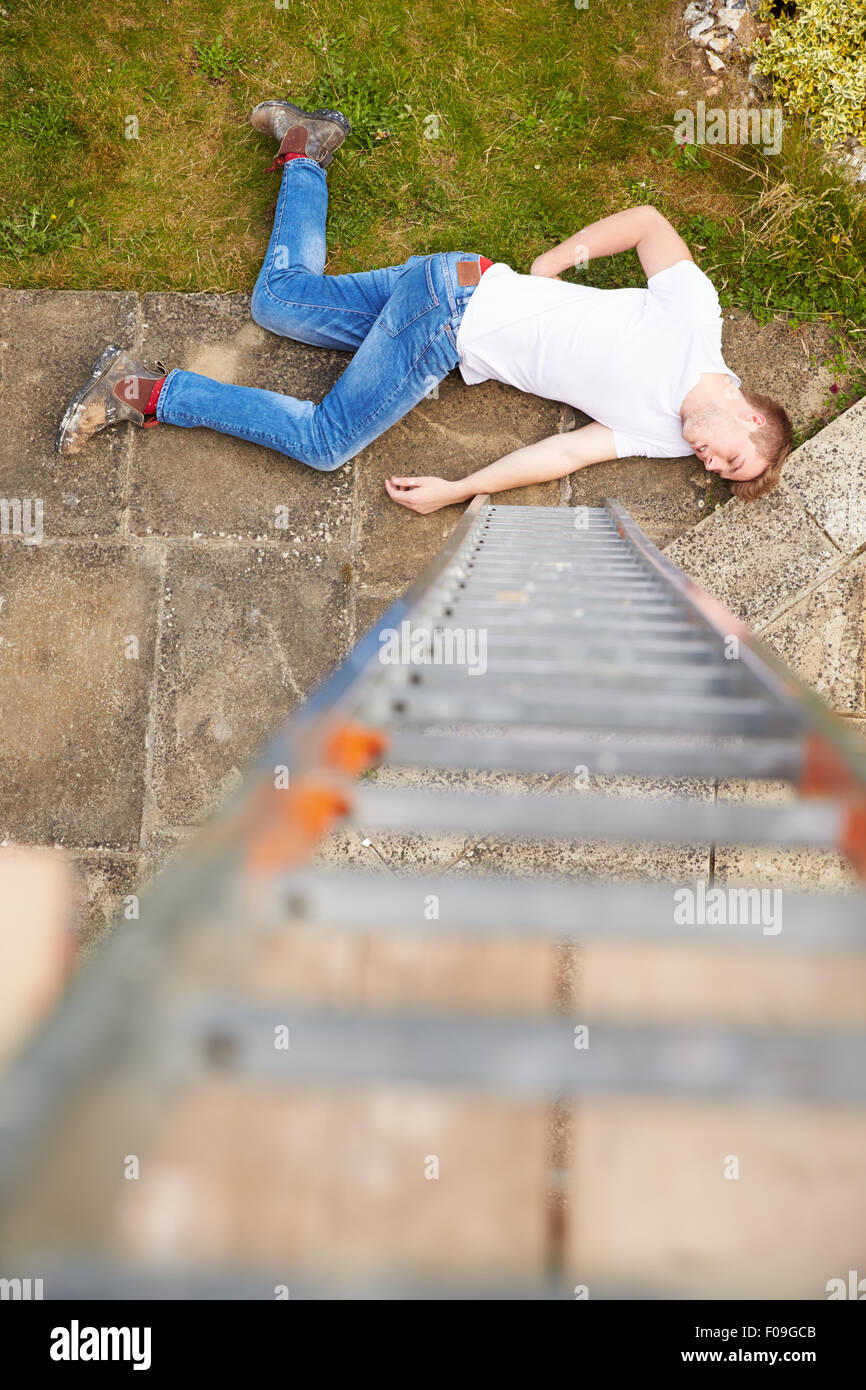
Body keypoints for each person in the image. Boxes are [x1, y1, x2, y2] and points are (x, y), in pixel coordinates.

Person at [56, 99, 793, 514]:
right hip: (447, 317)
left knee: (279, 303)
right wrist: (555, 262)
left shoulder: (667, 434)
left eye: (716, 471)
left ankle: (306, 148)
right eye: (728, 455)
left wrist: (462, 488)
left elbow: (565, 452)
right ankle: (143, 392)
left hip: (449, 280)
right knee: (323, 443)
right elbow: (649, 224)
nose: (707, 458)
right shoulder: (697, 319)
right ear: (751, 416)